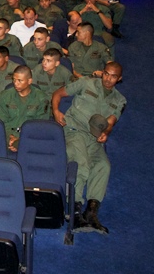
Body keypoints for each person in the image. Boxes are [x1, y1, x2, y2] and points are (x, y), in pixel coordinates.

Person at [52, 61, 125, 235]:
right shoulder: (86, 83)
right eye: (106, 73)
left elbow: (110, 123)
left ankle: (91, 212)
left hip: (93, 138)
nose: (108, 78)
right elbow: (58, 93)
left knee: (103, 166)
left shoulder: (120, 100)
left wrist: (106, 133)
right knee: (81, 164)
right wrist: (56, 111)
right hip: (73, 130)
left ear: (119, 79)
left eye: (113, 76)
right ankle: (74, 210)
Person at [0, 65, 51, 152]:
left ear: (29, 81)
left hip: (31, 139)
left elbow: (40, 124)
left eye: (20, 81)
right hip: (7, 138)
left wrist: (21, 141)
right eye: (14, 79)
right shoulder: (4, 96)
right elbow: (1, 121)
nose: (15, 83)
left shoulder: (41, 98)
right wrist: (11, 138)